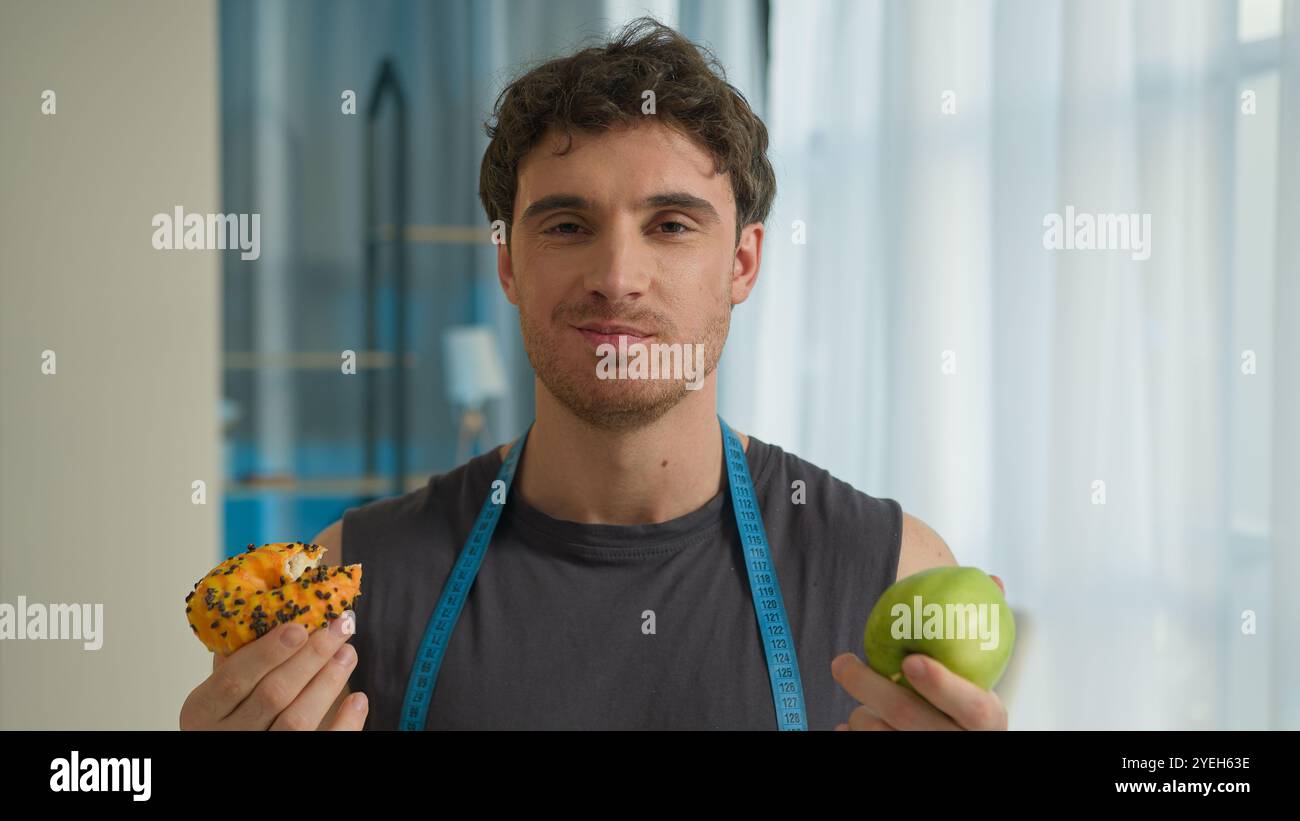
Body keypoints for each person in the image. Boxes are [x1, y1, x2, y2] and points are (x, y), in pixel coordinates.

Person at [180, 16, 1009, 732]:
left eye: (671, 224)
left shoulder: (891, 573)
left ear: (743, 263)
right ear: (509, 264)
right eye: (568, 225)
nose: (617, 277)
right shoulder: (350, 587)